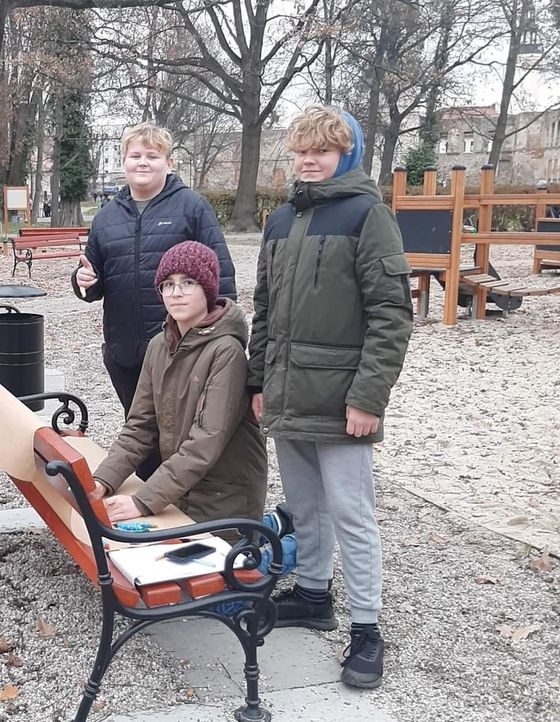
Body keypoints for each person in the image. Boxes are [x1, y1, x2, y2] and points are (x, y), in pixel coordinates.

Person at [247, 106, 413, 689]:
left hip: (343, 398)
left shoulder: (368, 215)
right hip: (287, 391)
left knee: (351, 514)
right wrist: (258, 382)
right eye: (301, 151)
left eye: (321, 150)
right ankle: (313, 595)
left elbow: (391, 315)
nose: (308, 160)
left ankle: (367, 628)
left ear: (347, 154)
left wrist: (369, 397)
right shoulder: (281, 219)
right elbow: (264, 308)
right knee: (304, 504)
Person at [72, 122, 236, 481]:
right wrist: (82, 281)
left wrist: (220, 334)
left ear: (169, 163)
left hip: (182, 349)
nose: (143, 162)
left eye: (152, 155)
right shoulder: (107, 216)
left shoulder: (192, 207)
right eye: (135, 155)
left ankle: (186, 502)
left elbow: (221, 274)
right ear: (124, 162)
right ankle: (150, 501)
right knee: (140, 432)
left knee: (181, 435)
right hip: (125, 350)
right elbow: (93, 278)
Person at [90, 241, 267, 531]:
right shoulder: (159, 346)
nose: (176, 293)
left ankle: (280, 533)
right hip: (179, 491)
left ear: (207, 289)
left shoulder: (227, 351)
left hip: (222, 497)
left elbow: (205, 443)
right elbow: (140, 426)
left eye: (188, 282)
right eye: (168, 284)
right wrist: (103, 479)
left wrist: (143, 500)